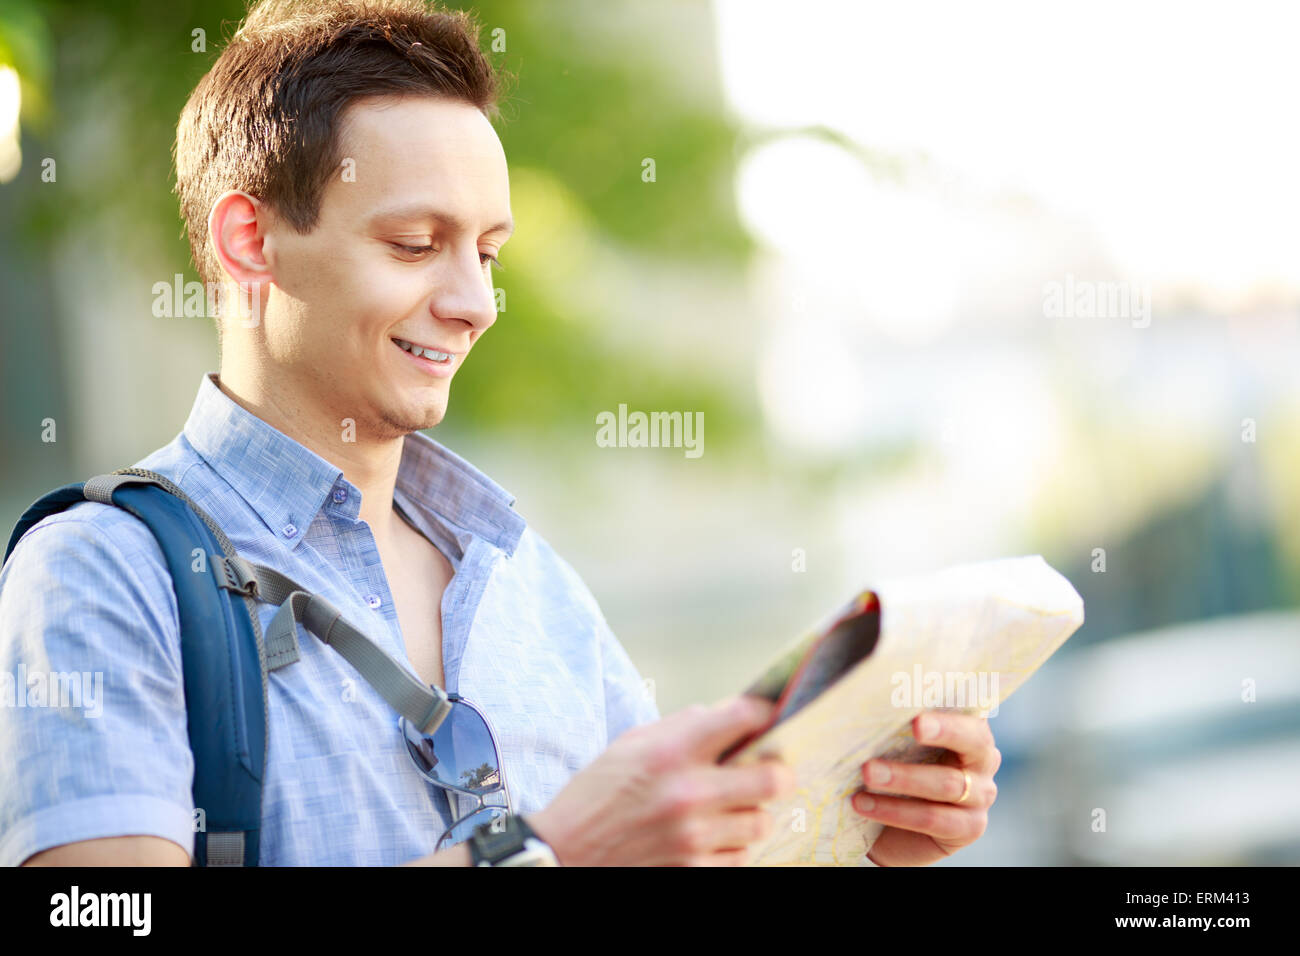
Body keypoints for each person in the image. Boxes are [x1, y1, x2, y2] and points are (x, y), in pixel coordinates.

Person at [0, 0, 999, 867]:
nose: (474, 302)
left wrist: (856, 838)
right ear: (249, 239)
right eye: (416, 244)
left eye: (486, 251)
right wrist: (554, 849)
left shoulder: (528, 583)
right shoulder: (99, 573)